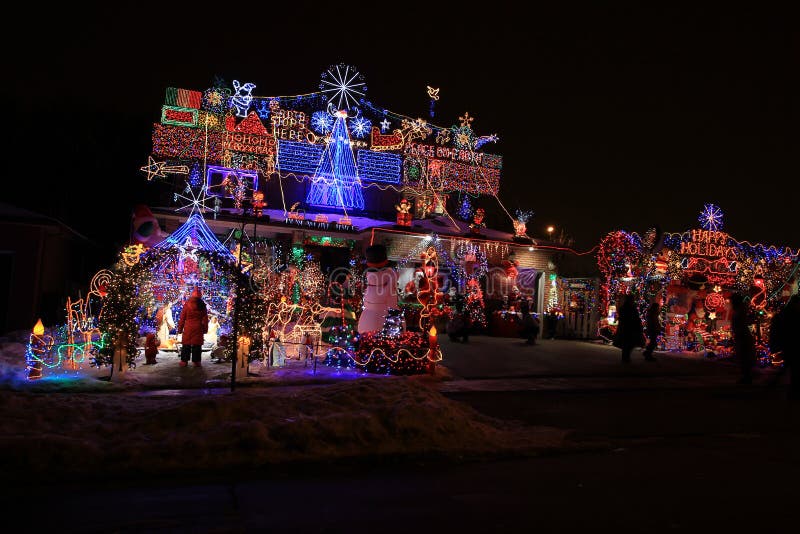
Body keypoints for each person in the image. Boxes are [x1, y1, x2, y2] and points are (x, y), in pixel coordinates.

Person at [357, 245, 398, 334]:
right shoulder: (390, 276)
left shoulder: (387, 277)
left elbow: (381, 296)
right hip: (381, 319)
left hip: (375, 319)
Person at [770, 294, 800, 399]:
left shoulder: (785, 313)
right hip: (791, 344)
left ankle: (775, 383)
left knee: (789, 366)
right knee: (793, 367)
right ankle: (793, 390)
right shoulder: (792, 314)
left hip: (788, 344)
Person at [178, 287, 209, 367]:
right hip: (198, 327)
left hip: (188, 327)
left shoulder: (187, 304)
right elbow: (205, 319)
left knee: (186, 345)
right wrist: (205, 329)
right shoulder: (202, 305)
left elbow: (182, 318)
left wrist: (180, 329)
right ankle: (196, 361)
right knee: (197, 345)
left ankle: (184, 361)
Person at [730, 292, 755, 384]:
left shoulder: (740, 310)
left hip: (742, 336)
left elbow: (741, 323)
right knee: (743, 357)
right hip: (740, 335)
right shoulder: (739, 310)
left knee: (744, 356)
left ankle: (747, 376)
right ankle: (746, 376)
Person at [613, 294, 644, 363]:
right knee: (628, 343)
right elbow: (635, 318)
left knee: (627, 344)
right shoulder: (631, 308)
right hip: (630, 328)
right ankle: (626, 358)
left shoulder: (624, 307)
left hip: (625, 327)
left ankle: (625, 357)